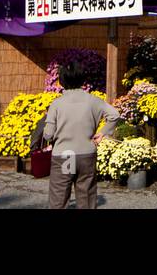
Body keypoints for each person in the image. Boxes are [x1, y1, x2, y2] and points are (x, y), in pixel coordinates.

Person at [42, 63, 120, 209]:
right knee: (86, 198)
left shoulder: (57, 104)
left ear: (62, 80)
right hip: (86, 154)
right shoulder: (93, 100)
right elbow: (114, 115)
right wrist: (103, 132)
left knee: (59, 199)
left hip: (65, 156)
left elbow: (48, 134)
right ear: (82, 79)